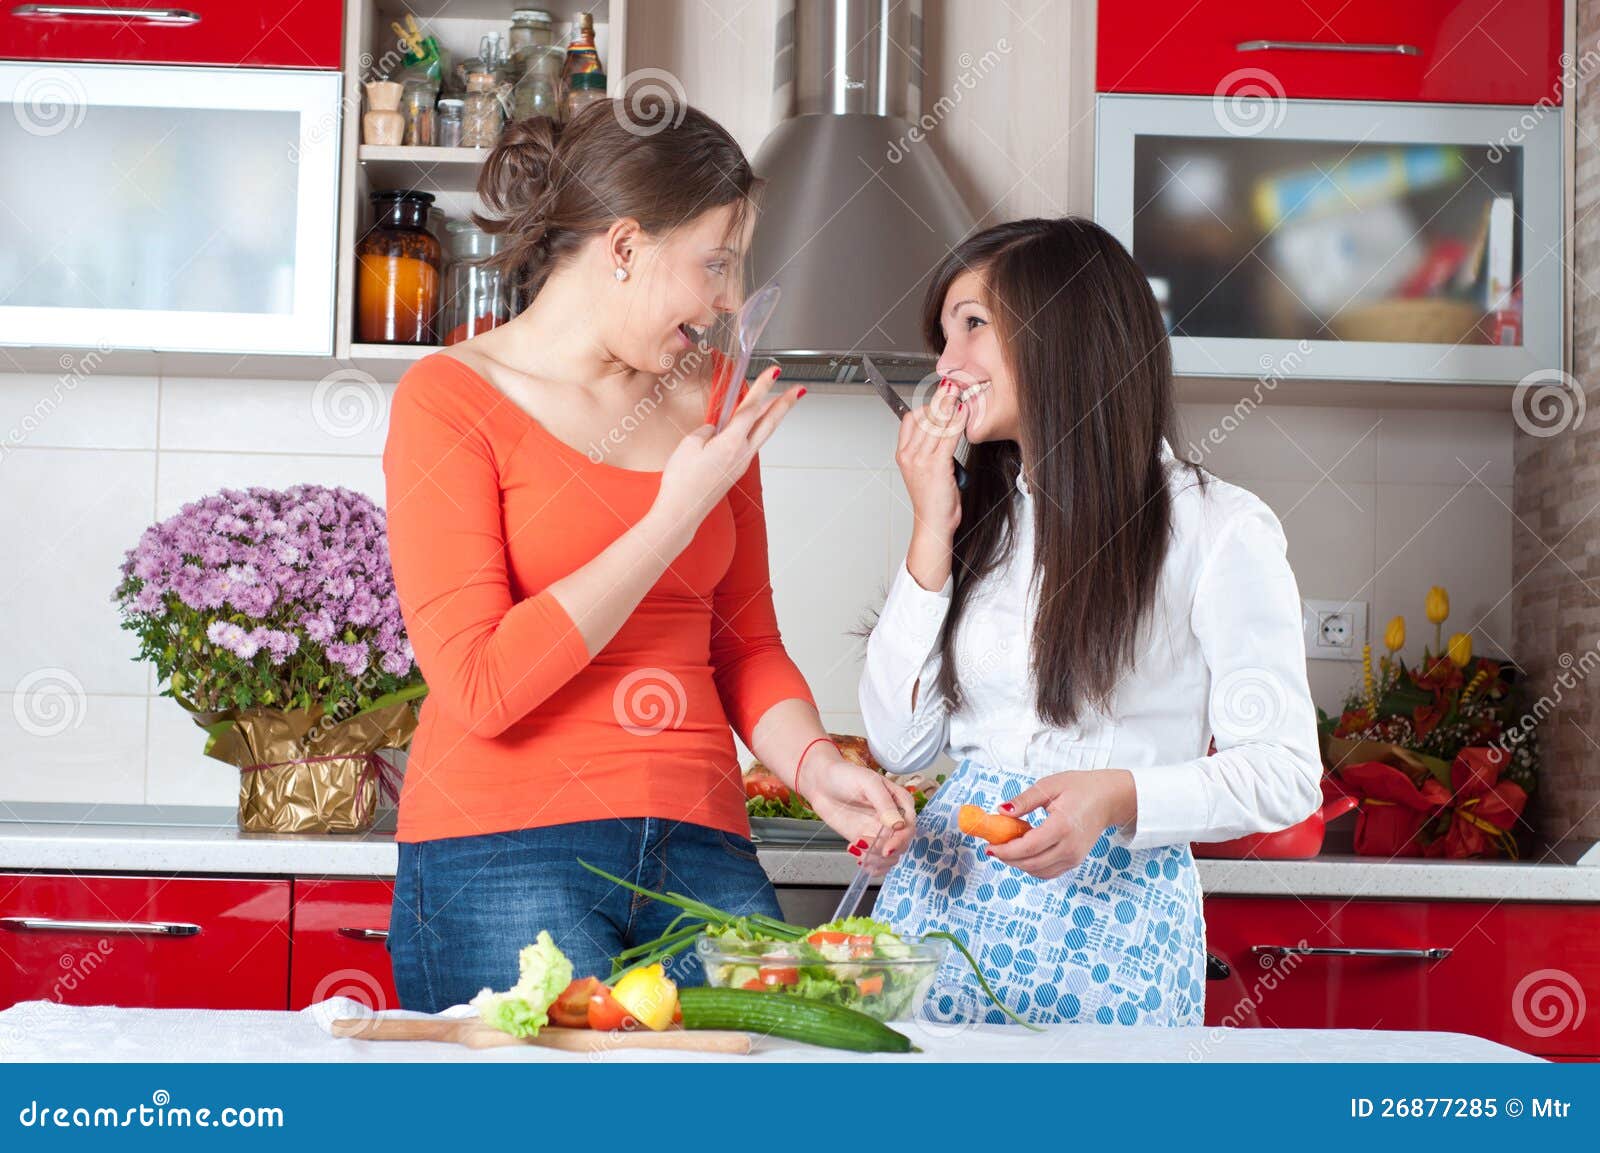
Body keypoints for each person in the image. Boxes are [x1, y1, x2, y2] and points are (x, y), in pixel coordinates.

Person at [382, 102, 912, 1011]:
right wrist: (672, 515)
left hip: (702, 841)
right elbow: (478, 683)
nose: (729, 301)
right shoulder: (449, 399)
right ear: (624, 246)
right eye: (715, 262)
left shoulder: (711, 398)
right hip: (501, 848)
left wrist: (818, 767)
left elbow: (744, 645)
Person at [860, 216, 1322, 1026]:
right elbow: (900, 745)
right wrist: (931, 524)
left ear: (1062, 333)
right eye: (943, 335)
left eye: (973, 325)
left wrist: (1118, 795)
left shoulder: (1216, 528)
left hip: (1113, 940)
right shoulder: (980, 522)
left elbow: (1285, 771)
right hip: (937, 922)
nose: (945, 365)